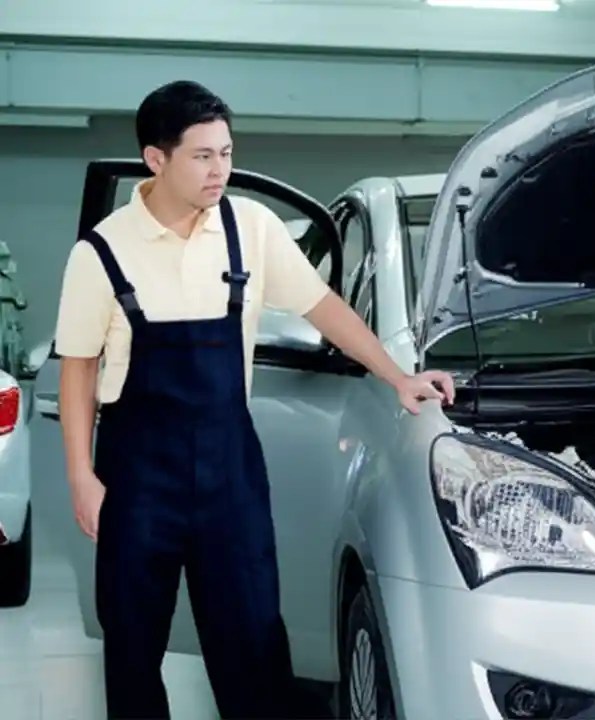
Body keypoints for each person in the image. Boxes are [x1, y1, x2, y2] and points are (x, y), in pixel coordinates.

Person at [53, 80, 456, 719]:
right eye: (203, 156)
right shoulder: (100, 252)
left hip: (229, 478)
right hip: (137, 482)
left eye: (227, 153)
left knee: (252, 645)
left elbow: (323, 308)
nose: (221, 170)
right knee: (132, 651)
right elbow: (77, 369)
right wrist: (80, 475)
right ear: (156, 160)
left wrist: (396, 376)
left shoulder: (251, 228)